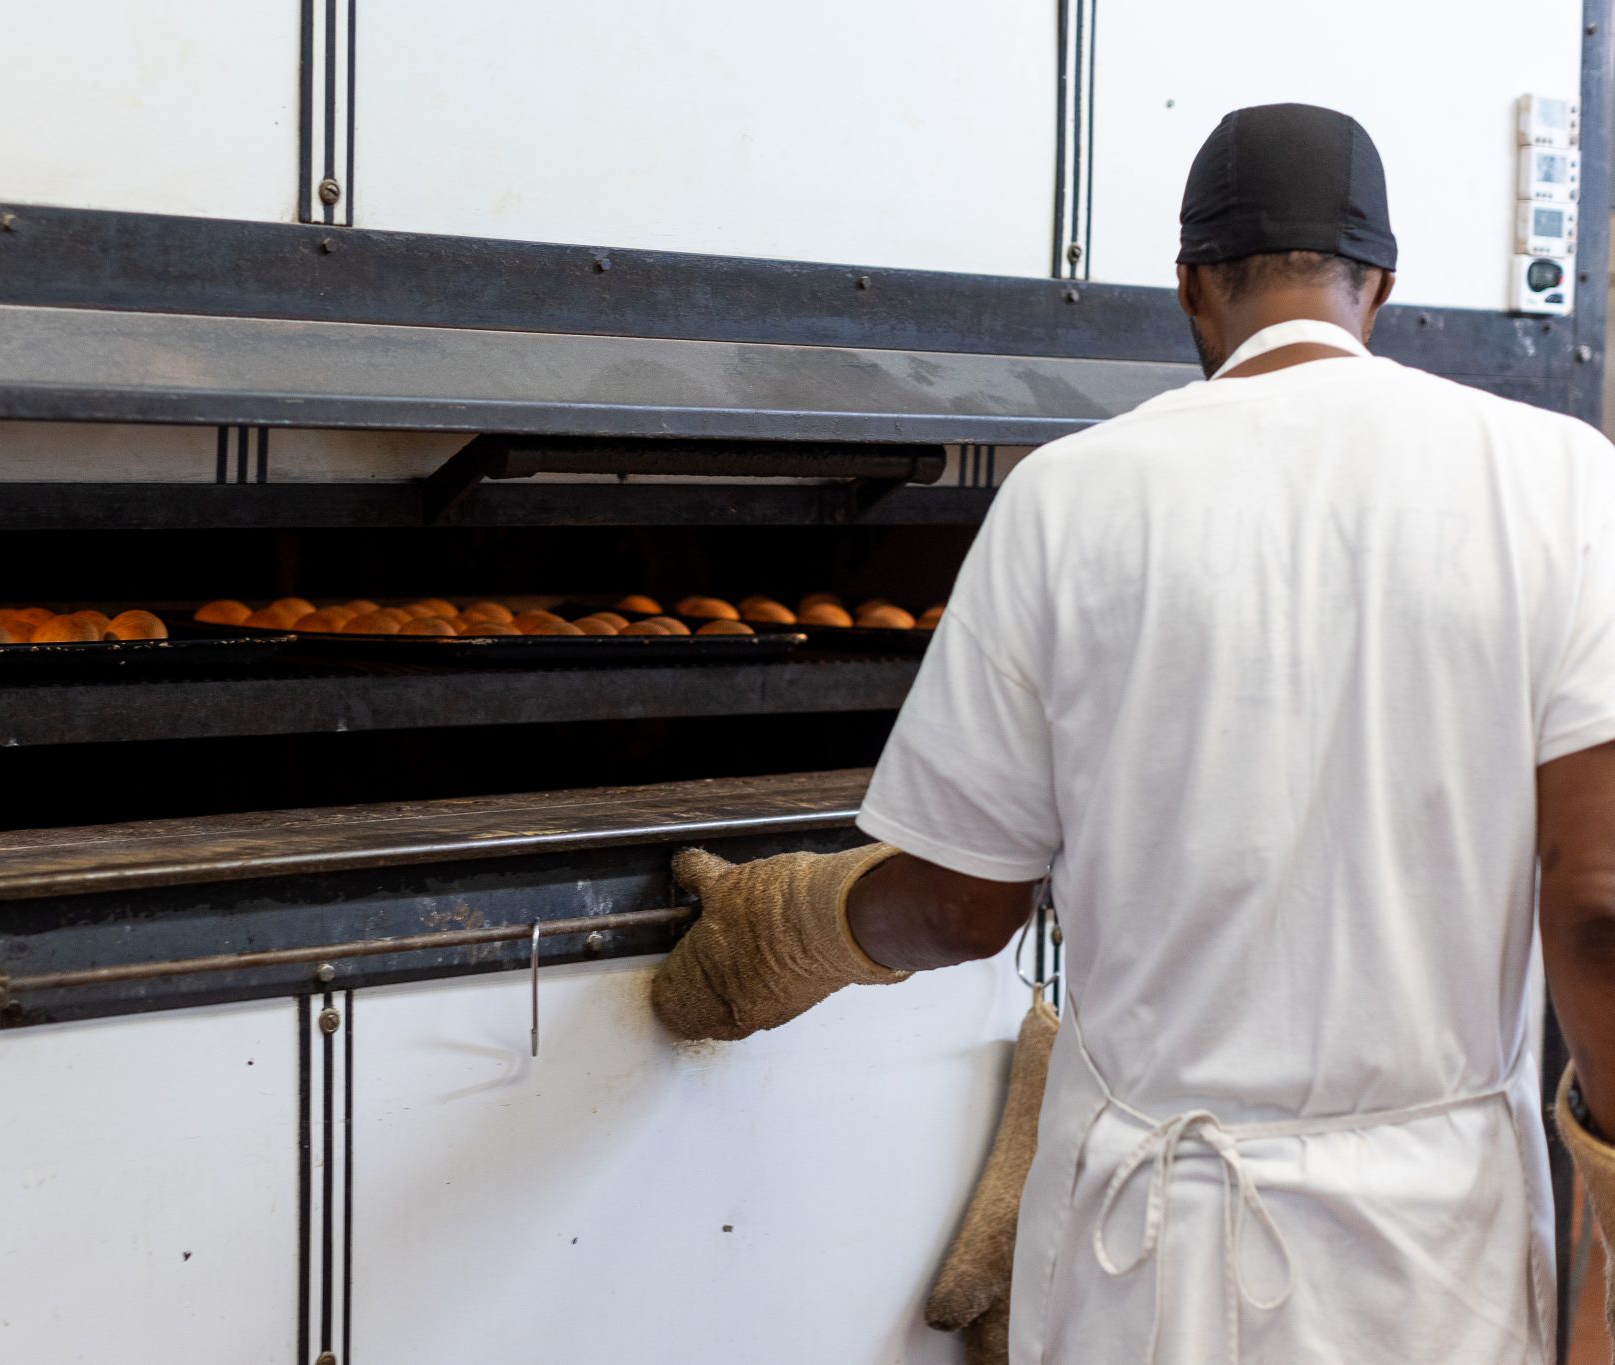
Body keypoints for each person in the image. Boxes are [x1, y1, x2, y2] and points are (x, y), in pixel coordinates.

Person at [653, 103, 1615, 1363]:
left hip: (1146, 1242)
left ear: (1187, 290)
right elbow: (1596, 896)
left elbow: (957, 904)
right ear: (1378, 283)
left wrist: (790, 931)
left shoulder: (1068, 494)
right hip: (1430, 1248)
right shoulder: (1557, 478)